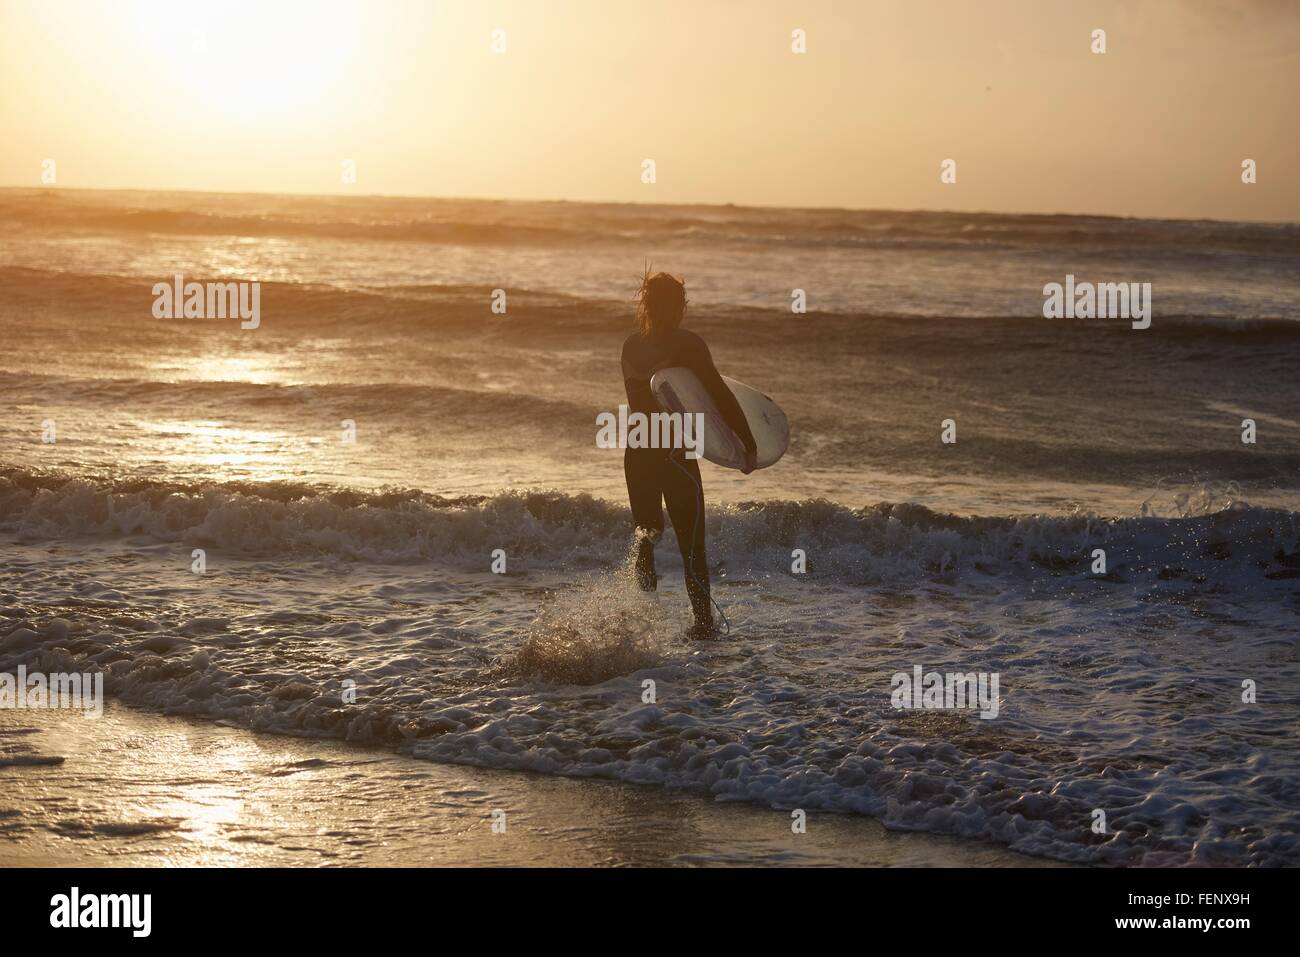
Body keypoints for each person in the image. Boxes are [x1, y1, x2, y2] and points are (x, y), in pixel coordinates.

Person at [621, 271, 756, 639]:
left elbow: (647, 401)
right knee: (691, 545)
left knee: (647, 538)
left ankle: (639, 631)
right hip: (672, 454)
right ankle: (703, 626)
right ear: (680, 305)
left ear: (645, 304)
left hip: (637, 452)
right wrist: (746, 443)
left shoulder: (631, 345)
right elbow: (719, 397)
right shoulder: (688, 344)